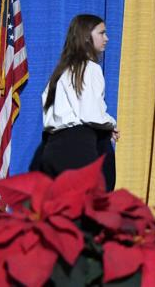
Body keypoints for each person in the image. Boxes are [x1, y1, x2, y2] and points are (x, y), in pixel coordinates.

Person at [41, 14, 118, 190]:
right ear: (86, 36)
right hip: (77, 148)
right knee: (86, 210)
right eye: (102, 33)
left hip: (52, 149)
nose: (106, 38)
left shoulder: (60, 72)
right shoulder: (90, 68)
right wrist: (110, 124)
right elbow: (90, 114)